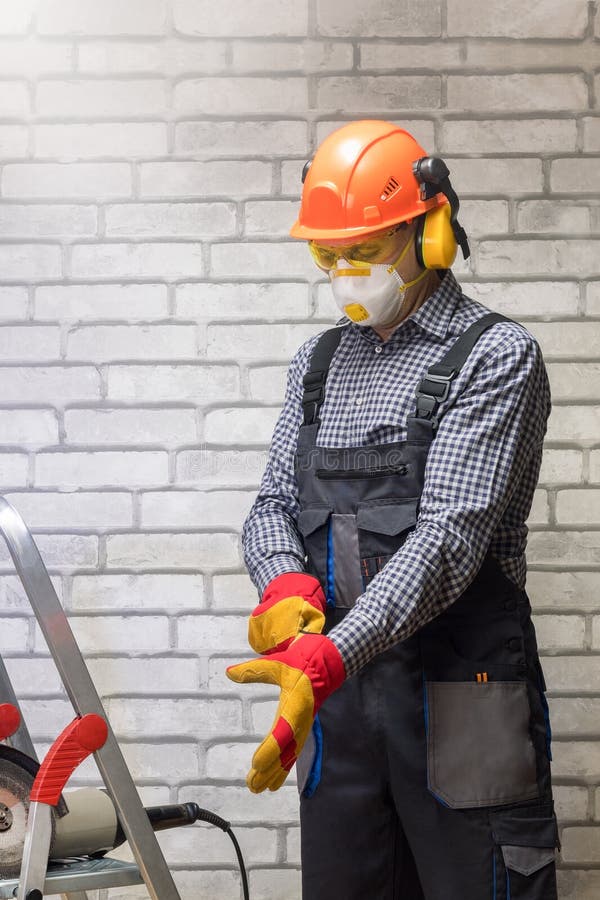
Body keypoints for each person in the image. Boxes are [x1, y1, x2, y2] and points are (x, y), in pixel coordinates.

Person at [226, 120, 559, 899]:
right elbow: (274, 502)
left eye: (364, 251)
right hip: (337, 717)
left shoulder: (494, 356)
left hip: (460, 704)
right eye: (326, 254)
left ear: (429, 229)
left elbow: (448, 538)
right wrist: (284, 587)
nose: (344, 273)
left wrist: (333, 653)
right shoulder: (318, 363)